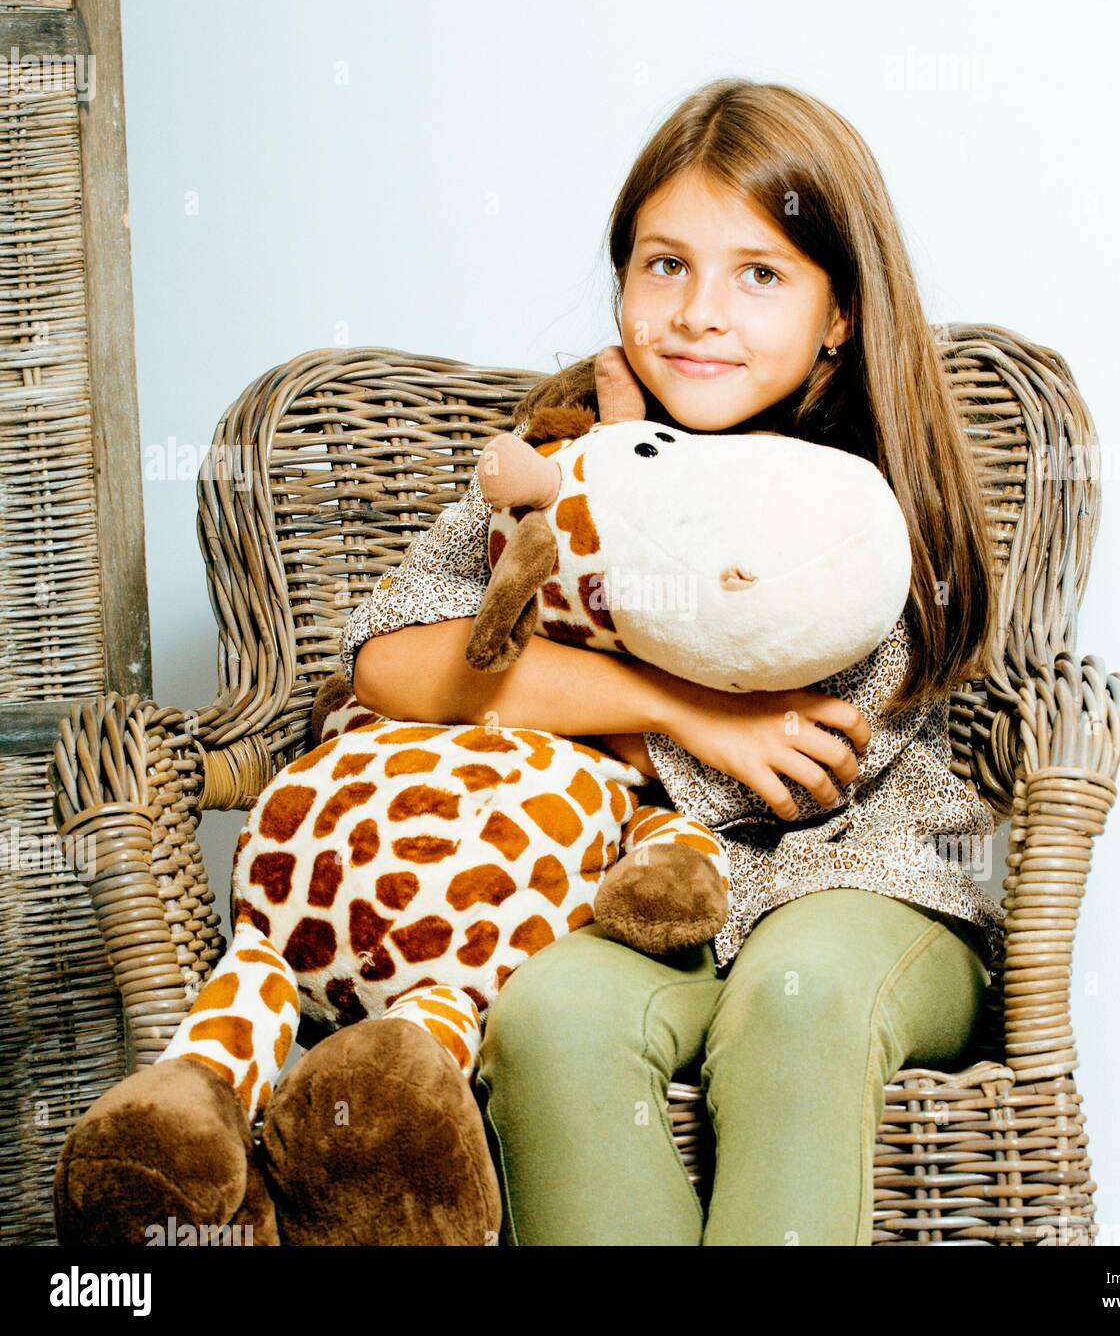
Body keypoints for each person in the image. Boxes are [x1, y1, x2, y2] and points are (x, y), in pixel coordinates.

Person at [340, 77, 1004, 1246]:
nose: (700, 312)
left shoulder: (858, 500)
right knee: (550, 1020)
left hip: (861, 880)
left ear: (838, 312)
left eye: (760, 273)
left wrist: (597, 707)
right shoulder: (569, 465)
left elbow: (797, 766)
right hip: (653, 903)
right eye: (665, 264)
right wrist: (671, 708)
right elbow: (393, 658)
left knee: (803, 1004)